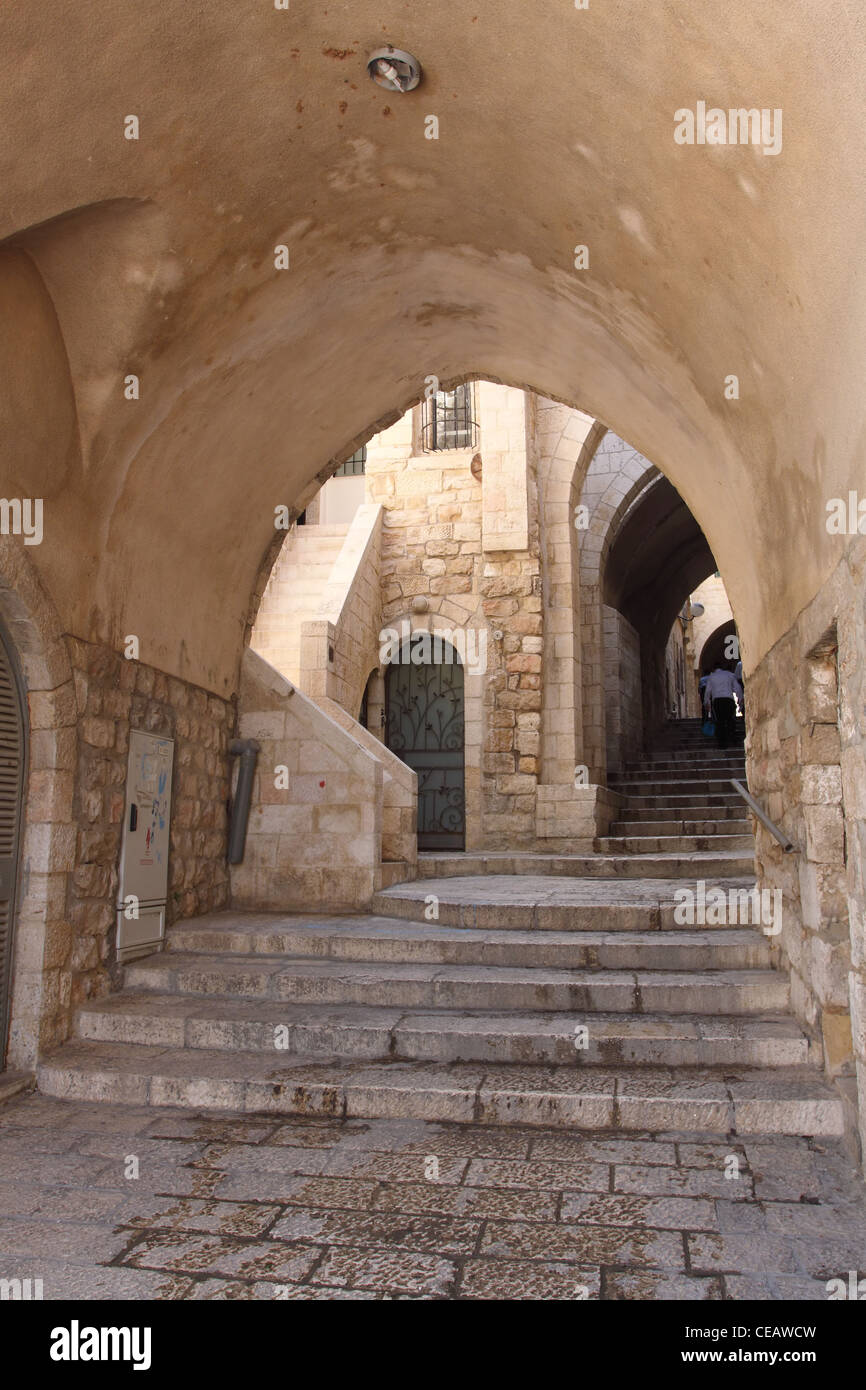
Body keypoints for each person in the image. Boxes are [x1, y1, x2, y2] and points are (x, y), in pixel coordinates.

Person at [703, 662, 744, 748]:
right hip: (729, 700)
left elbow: (707, 692)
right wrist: (740, 700)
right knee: (730, 720)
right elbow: (737, 688)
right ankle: (733, 740)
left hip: (717, 701)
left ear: (714, 669)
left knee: (719, 722)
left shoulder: (711, 677)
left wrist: (706, 702)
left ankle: (722, 743)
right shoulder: (730, 675)